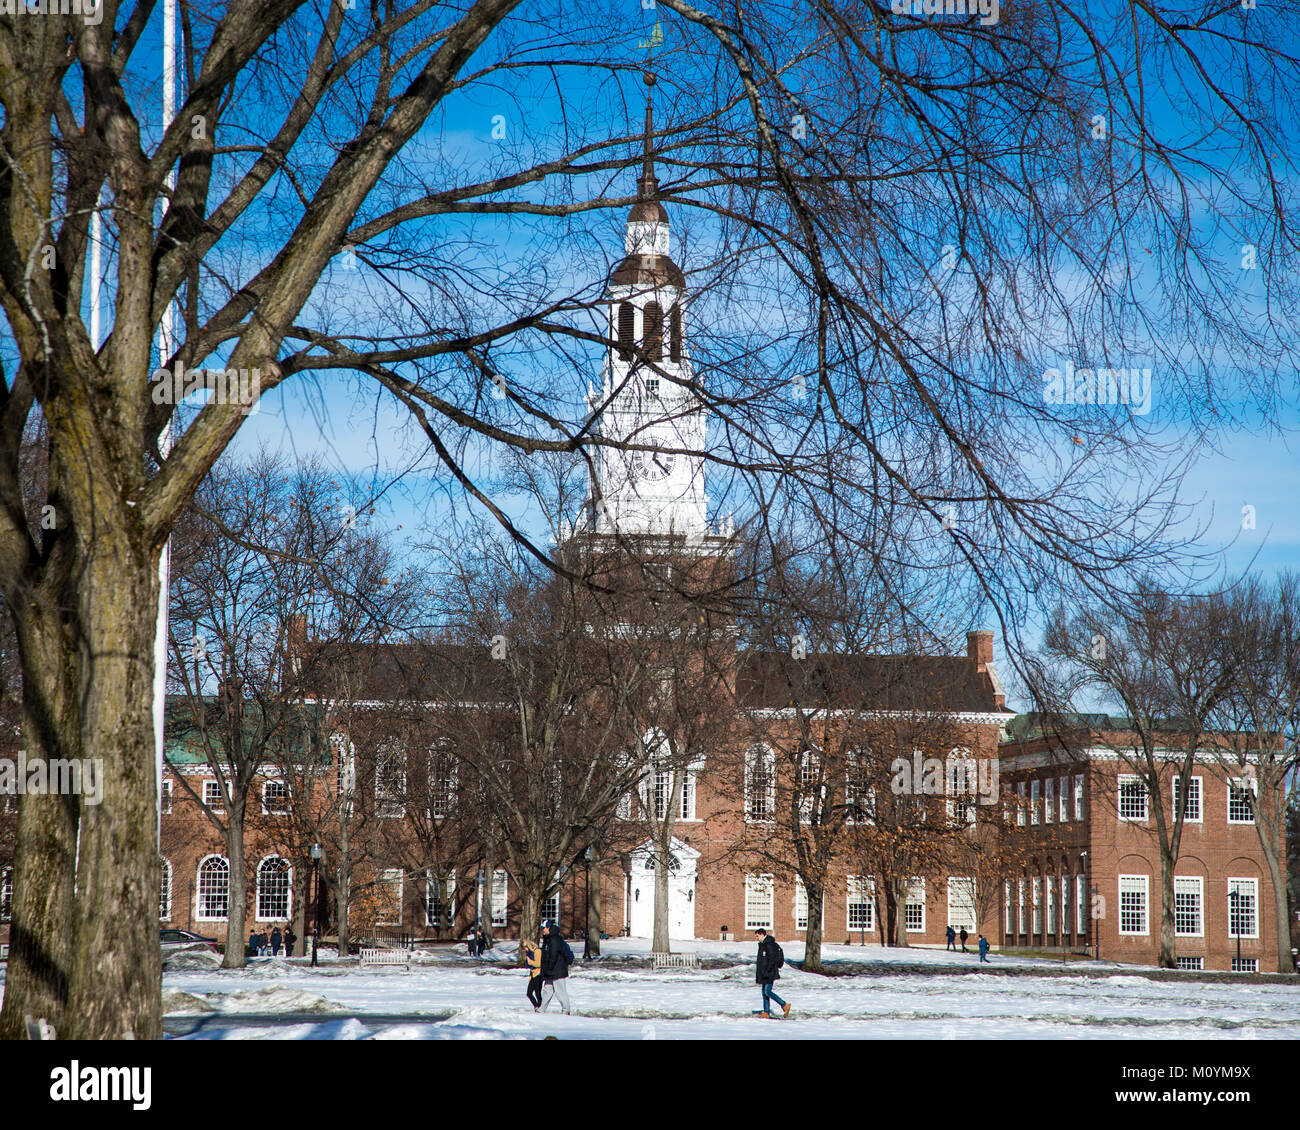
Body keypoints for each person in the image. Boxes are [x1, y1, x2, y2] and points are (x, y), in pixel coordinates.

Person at [539, 919, 573, 1014]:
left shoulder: (554, 939)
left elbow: (553, 955)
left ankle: (566, 1010)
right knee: (547, 989)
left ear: (548, 928)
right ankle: (542, 1009)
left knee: (560, 991)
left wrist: (549, 967)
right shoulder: (548, 938)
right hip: (550, 970)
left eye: (544, 928)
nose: (542, 930)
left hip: (557, 970)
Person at [754, 928, 789, 1018]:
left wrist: (767, 970)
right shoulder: (763, 945)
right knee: (764, 992)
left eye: (757, 936)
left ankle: (784, 1004)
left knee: (767, 991)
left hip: (769, 972)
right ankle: (766, 1012)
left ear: (762, 934)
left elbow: (772, 959)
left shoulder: (769, 944)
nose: (757, 938)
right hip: (764, 972)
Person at [522, 937, 544, 1011]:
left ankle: (540, 1007)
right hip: (533, 974)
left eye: (525, 947)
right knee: (529, 993)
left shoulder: (537, 951)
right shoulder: (529, 954)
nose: (525, 950)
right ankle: (536, 1006)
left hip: (538, 974)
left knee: (538, 993)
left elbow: (538, 964)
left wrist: (529, 961)